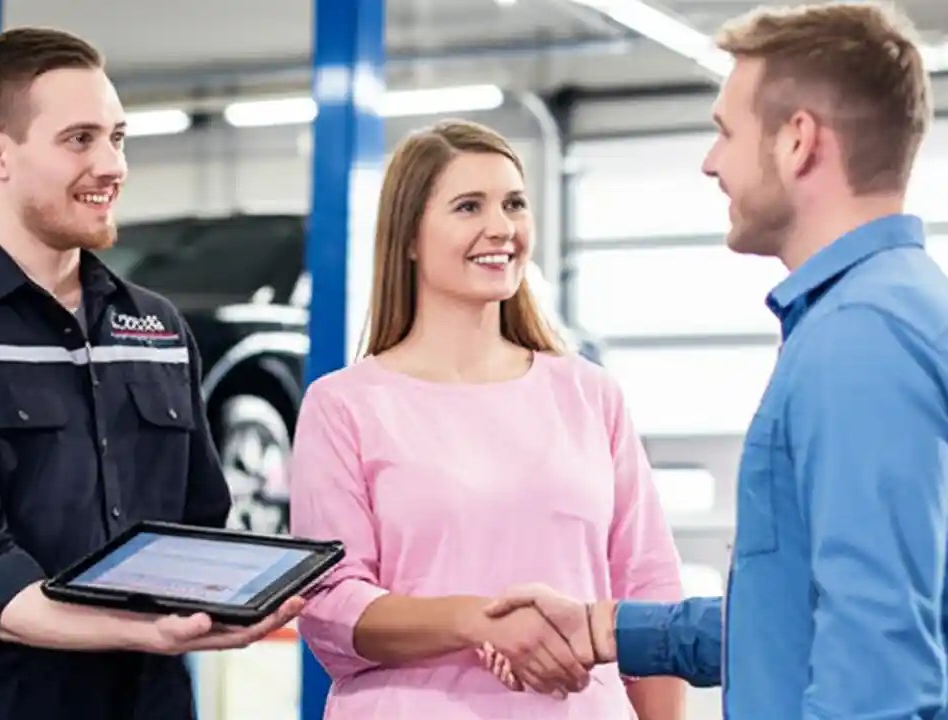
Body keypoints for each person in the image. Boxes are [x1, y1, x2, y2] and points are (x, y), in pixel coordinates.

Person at [479, 3, 948, 718]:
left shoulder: (860, 340)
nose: (710, 162)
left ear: (798, 142)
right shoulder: (883, 311)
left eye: (726, 132)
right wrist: (606, 626)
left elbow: (878, 668)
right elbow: (795, 615)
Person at [0, 27, 301, 720]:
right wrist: (144, 631)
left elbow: (200, 525)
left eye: (117, 137)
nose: (112, 163)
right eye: (79, 139)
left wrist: (250, 592)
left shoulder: (157, 330)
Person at [287, 118, 688, 719]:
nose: (500, 228)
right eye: (469, 207)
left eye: (514, 204)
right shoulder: (344, 404)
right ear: (410, 236)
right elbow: (331, 606)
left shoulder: (589, 394)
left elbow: (649, 591)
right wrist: (479, 621)